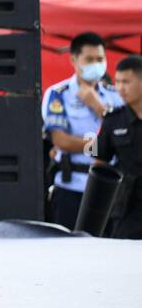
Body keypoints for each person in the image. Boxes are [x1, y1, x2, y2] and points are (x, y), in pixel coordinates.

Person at [42, 32, 123, 230]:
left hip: (110, 187)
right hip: (71, 186)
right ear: (74, 60)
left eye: (100, 59)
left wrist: (99, 107)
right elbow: (61, 141)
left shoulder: (115, 96)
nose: (96, 64)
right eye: (89, 59)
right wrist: (104, 146)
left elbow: (126, 137)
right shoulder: (58, 94)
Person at [95, 55, 142, 239]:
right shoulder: (112, 119)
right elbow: (97, 158)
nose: (120, 88)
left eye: (126, 82)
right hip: (127, 206)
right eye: (118, 82)